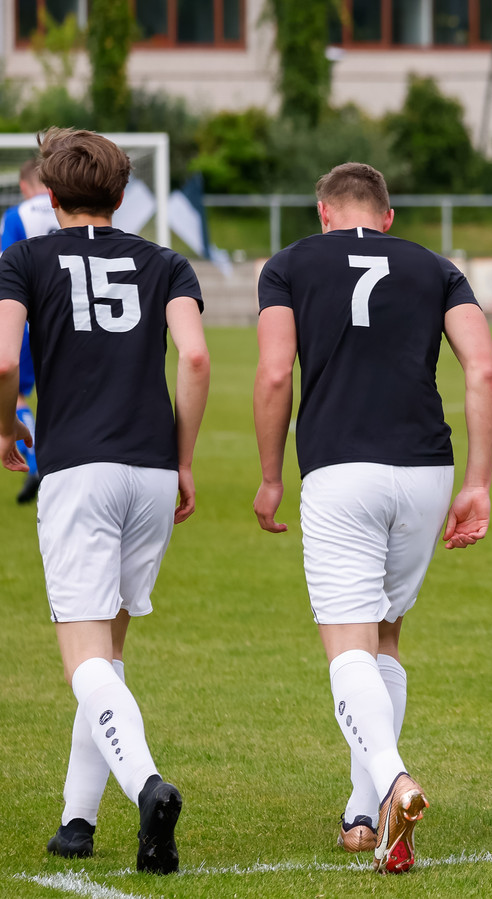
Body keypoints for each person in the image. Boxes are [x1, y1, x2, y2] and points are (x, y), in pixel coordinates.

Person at [252, 162, 492, 872]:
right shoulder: (435, 267)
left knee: (347, 644)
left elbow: (274, 374)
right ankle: (362, 816)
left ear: (323, 212)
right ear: (387, 216)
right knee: (386, 632)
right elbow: (480, 369)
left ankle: (393, 780)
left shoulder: (290, 264)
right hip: (426, 465)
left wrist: (271, 475)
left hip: (340, 465)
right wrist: (478, 482)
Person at [0, 128, 210, 874]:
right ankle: (76, 821)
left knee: (82, 656)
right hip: (150, 468)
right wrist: (183, 459)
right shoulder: (164, 262)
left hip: (77, 467)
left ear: (48, 196)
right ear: (124, 196)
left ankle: (147, 784)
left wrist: (8, 427)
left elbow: (2, 358)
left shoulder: (25, 256)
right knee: (109, 653)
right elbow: (193, 354)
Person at [2, 157, 60, 502]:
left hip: (24, 320)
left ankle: (36, 462)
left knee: (18, 395)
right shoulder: (65, 210)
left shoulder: (17, 215)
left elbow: (6, 263)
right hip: (69, 318)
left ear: (24, 186)